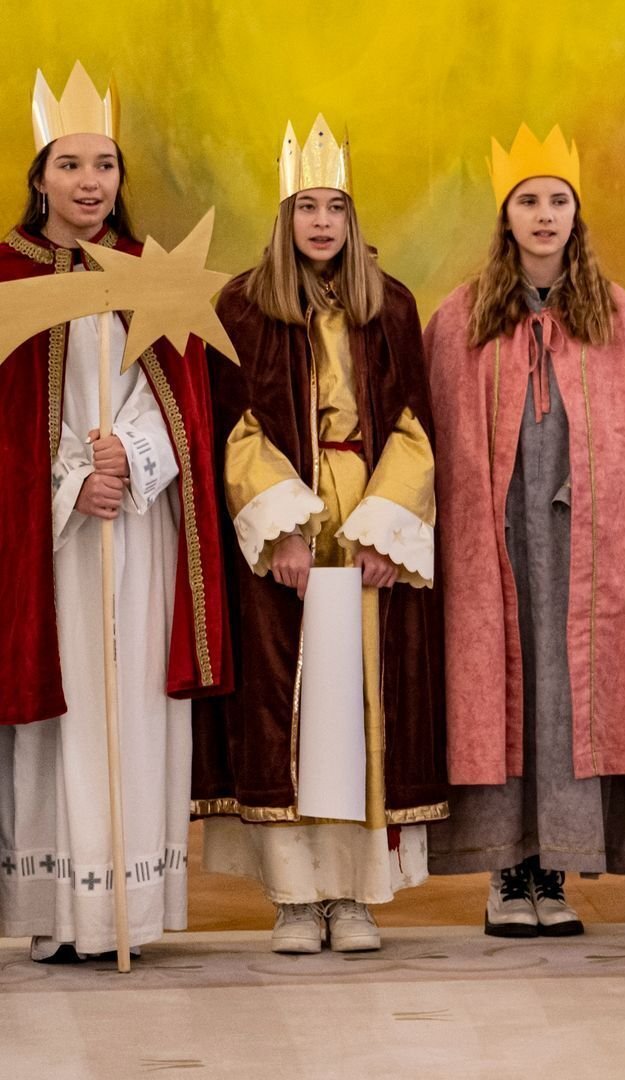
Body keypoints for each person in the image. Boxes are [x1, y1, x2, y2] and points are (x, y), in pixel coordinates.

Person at [192, 116, 445, 954]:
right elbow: (235, 426)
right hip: (290, 520)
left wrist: (383, 529)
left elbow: (413, 425)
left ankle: (354, 894)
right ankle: (297, 897)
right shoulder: (242, 304)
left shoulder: (391, 305)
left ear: (353, 217)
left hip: (366, 508)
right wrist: (285, 532)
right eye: (308, 206)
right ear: (285, 214)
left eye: (337, 206)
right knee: (288, 706)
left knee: (360, 700)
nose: (324, 222)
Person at [0, 62, 229, 962]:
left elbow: (185, 398)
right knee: (63, 718)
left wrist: (126, 459)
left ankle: (125, 914)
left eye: (104, 166)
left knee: (128, 706)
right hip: (45, 539)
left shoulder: (152, 274)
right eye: (71, 165)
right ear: (40, 176)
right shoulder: (7, 274)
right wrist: (66, 479)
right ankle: (64, 913)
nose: (90, 182)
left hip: (137, 527)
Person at [425, 125, 625, 936]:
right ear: (506, 215)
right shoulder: (461, 319)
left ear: (576, 215)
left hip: (584, 549)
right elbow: (438, 432)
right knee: (500, 690)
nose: (544, 214)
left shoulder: (617, 317)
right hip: (494, 545)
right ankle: (504, 872)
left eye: (558, 200)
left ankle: (554, 872)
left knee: (567, 697)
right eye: (528, 200)